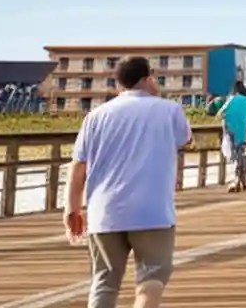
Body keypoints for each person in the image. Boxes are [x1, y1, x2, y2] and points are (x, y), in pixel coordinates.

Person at [64, 56, 192, 308]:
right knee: (152, 276)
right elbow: (186, 140)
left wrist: (72, 208)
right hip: (152, 211)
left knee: (104, 281)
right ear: (147, 77)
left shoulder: (96, 116)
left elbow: (78, 165)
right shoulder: (169, 110)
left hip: (104, 211)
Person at [216, 81, 246, 193]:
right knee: (242, 155)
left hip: (231, 130)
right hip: (242, 131)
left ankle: (236, 181)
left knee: (234, 156)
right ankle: (242, 180)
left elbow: (220, 114)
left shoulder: (232, 99)